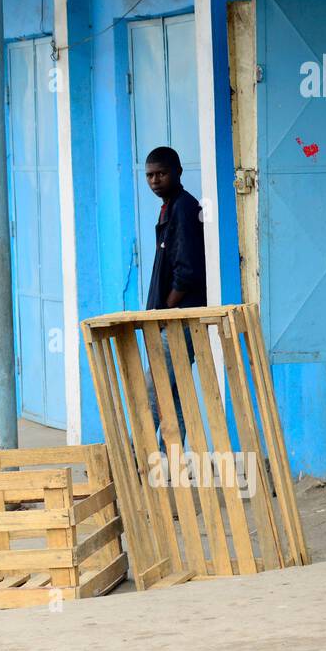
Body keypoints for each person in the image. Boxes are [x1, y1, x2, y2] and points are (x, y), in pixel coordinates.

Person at [143, 146, 206, 455]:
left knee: (153, 391)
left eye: (161, 174)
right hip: (173, 319)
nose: (155, 180)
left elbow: (187, 270)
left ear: (178, 172)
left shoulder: (184, 207)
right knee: (176, 390)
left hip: (178, 320)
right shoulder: (169, 206)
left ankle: (136, 460)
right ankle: (171, 459)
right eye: (150, 175)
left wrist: (166, 310)